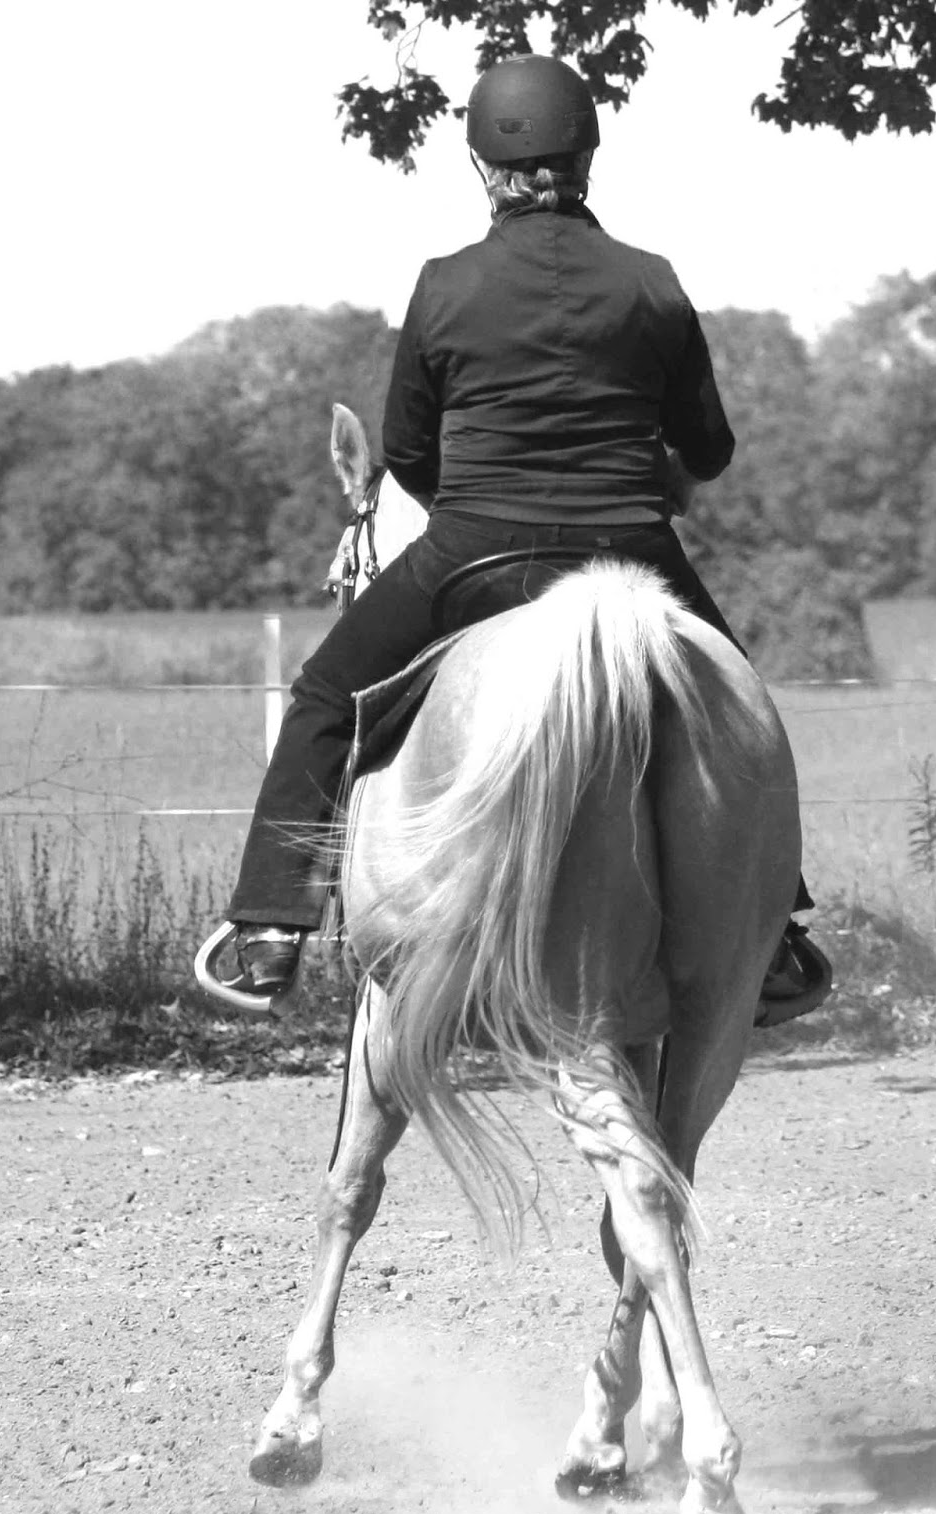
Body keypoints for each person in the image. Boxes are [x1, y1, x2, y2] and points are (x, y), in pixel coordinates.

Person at [218, 53, 830, 1025]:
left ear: (480, 165)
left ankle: (270, 927)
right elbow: (709, 446)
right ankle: (774, 934)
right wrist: (654, 478)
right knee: (737, 710)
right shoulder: (651, 281)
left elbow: (407, 450)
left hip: (473, 551)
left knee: (327, 696)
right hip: (633, 553)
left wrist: (464, 508)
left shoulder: (444, 284)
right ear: (588, 157)